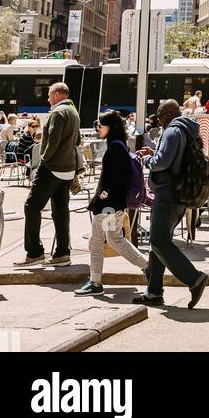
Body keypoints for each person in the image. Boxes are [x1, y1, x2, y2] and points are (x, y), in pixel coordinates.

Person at [133, 99, 209, 310]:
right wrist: (156, 151)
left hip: (168, 194)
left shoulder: (172, 131)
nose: (159, 121)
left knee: (158, 242)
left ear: (166, 115)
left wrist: (148, 160)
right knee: (158, 243)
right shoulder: (187, 130)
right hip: (179, 193)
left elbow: (162, 163)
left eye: (159, 117)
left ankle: (194, 278)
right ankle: (154, 292)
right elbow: (174, 157)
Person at [74, 110, 149, 296]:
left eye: (101, 125)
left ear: (111, 127)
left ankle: (97, 282)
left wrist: (104, 194)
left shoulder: (115, 147)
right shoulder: (119, 145)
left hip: (108, 206)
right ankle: (147, 267)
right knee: (105, 240)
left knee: (105, 240)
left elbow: (117, 176)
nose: (97, 128)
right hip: (111, 204)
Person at [18, 82, 81, 268]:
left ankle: (35, 252)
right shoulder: (73, 111)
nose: (47, 99)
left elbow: (52, 140)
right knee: (61, 211)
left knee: (31, 207)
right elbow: (77, 140)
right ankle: (62, 252)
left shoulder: (57, 113)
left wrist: (43, 160)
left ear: (56, 95)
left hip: (52, 167)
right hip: (68, 168)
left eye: (48, 95)